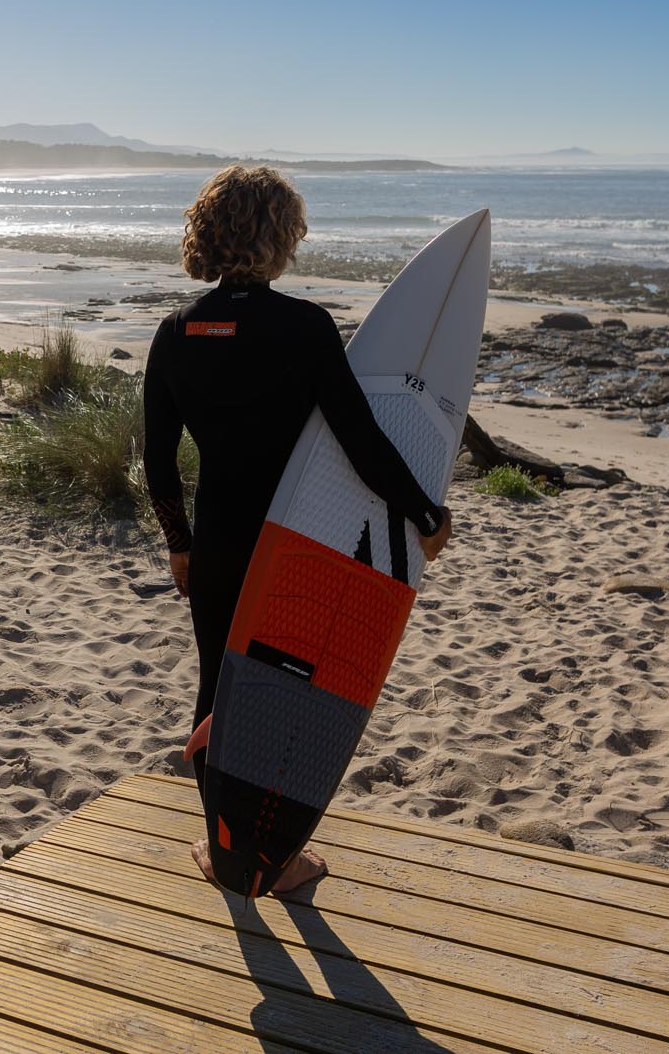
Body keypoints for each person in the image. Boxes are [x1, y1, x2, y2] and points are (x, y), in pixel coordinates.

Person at [143, 165, 451, 894]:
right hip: (295, 547)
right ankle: (272, 859)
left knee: (217, 690)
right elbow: (362, 442)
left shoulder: (178, 331)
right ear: (280, 237)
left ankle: (226, 852)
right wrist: (426, 515)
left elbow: (156, 458)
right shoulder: (305, 328)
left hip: (218, 545)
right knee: (285, 694)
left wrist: (179, 544)